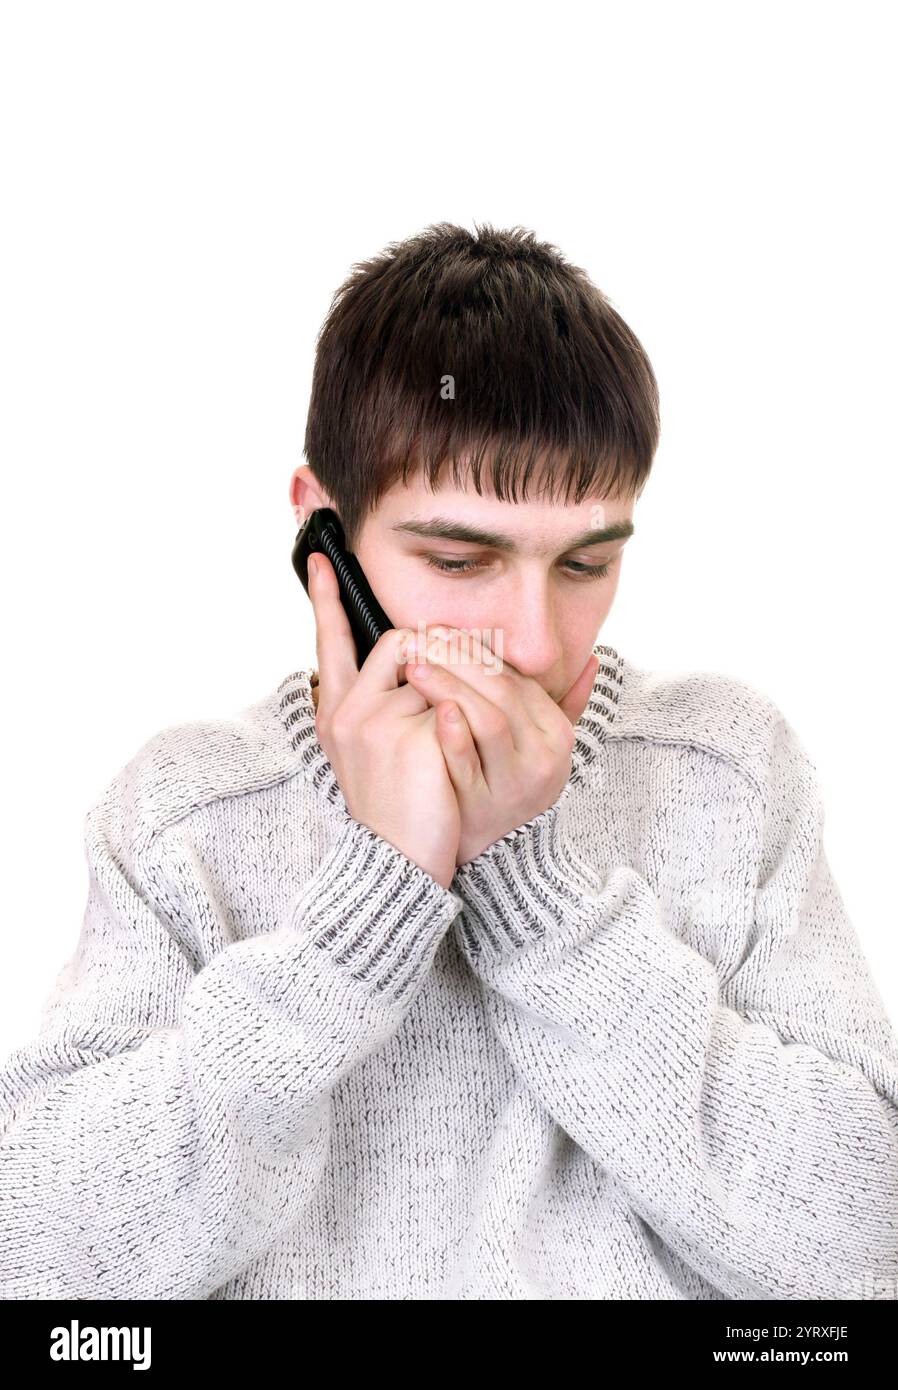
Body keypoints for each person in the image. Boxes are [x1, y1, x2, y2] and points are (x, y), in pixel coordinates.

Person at [2, 223, 896, 1302]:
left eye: (585, 562)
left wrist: (531, 885)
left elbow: (866, 1247)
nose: (531, 639)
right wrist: (368, 905)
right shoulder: (186, 812)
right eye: (459, 559)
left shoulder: (724, 771)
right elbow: (40, 1262)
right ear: (323, 532)